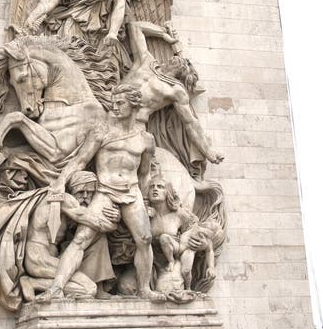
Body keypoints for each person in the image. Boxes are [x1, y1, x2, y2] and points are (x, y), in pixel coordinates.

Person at [38, 84, 164, 302]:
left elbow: (144, 174)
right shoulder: (101, 132)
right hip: (105, 191)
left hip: (132, 193)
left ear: (133, 105)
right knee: (81, 238)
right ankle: (56, 288)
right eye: (113, 103)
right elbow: (80, 161)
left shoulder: (146, 140)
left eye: (120, 103)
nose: (114, 107)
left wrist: (144, 199)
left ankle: (145, 289)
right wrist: (60, 181)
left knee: (144, 239)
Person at [122, 20, 224, 165]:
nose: (183, 61)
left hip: (133, 124)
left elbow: (191, 123)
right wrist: (164, 34)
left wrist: (209, 152)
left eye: (187, 65)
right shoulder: (146, 61)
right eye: (184, 60)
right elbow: (135, 26)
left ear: (184, 75)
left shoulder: (175, 91)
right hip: (111, 108)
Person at [23, 169, 120, 299]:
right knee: (89, 289)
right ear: (71, 191)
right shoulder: (64, 199)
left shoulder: (68, 211)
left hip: (52, 258)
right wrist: (115, 223)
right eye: (81, 192)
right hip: (37, 258)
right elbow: (96, 222)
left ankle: (98, 285)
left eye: (90, 193)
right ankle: (33, 283)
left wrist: (116, 215)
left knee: (97, 238)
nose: (85, 196)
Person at [147, 173, 217, 289]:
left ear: (168, 192)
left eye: (160, 187)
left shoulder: (179, 214)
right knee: (126, 286)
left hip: (175, 257)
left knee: (171, 287)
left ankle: (188, 288)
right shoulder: (143, 214)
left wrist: (203, 246)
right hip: (150, 261)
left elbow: (197, 233)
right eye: (152, 187)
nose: (155, 189)